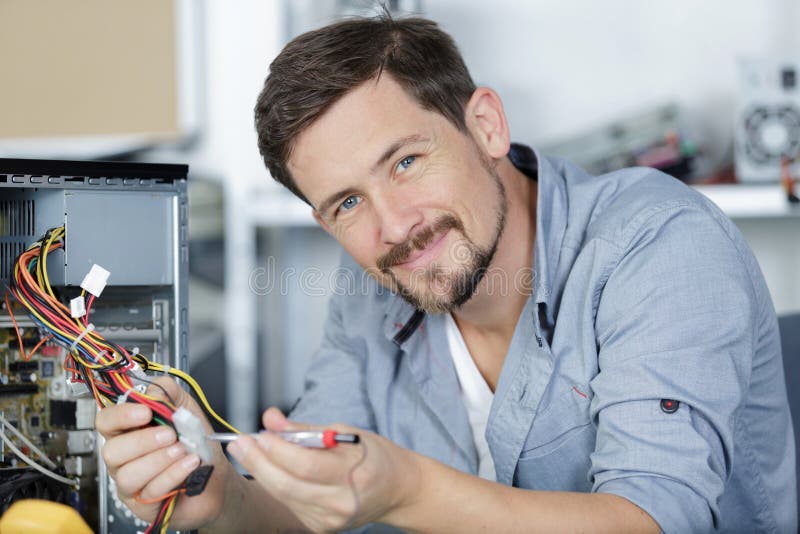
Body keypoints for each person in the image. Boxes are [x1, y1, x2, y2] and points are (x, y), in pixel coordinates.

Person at [96, 14, 797, 533]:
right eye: (347, 202)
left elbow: (653, 521)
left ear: (486, 125)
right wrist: (218, 493)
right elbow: (308, 508)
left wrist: (404, 490)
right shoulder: (372, 288)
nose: (395, 226)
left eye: (405, 162)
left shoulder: (658, 242)